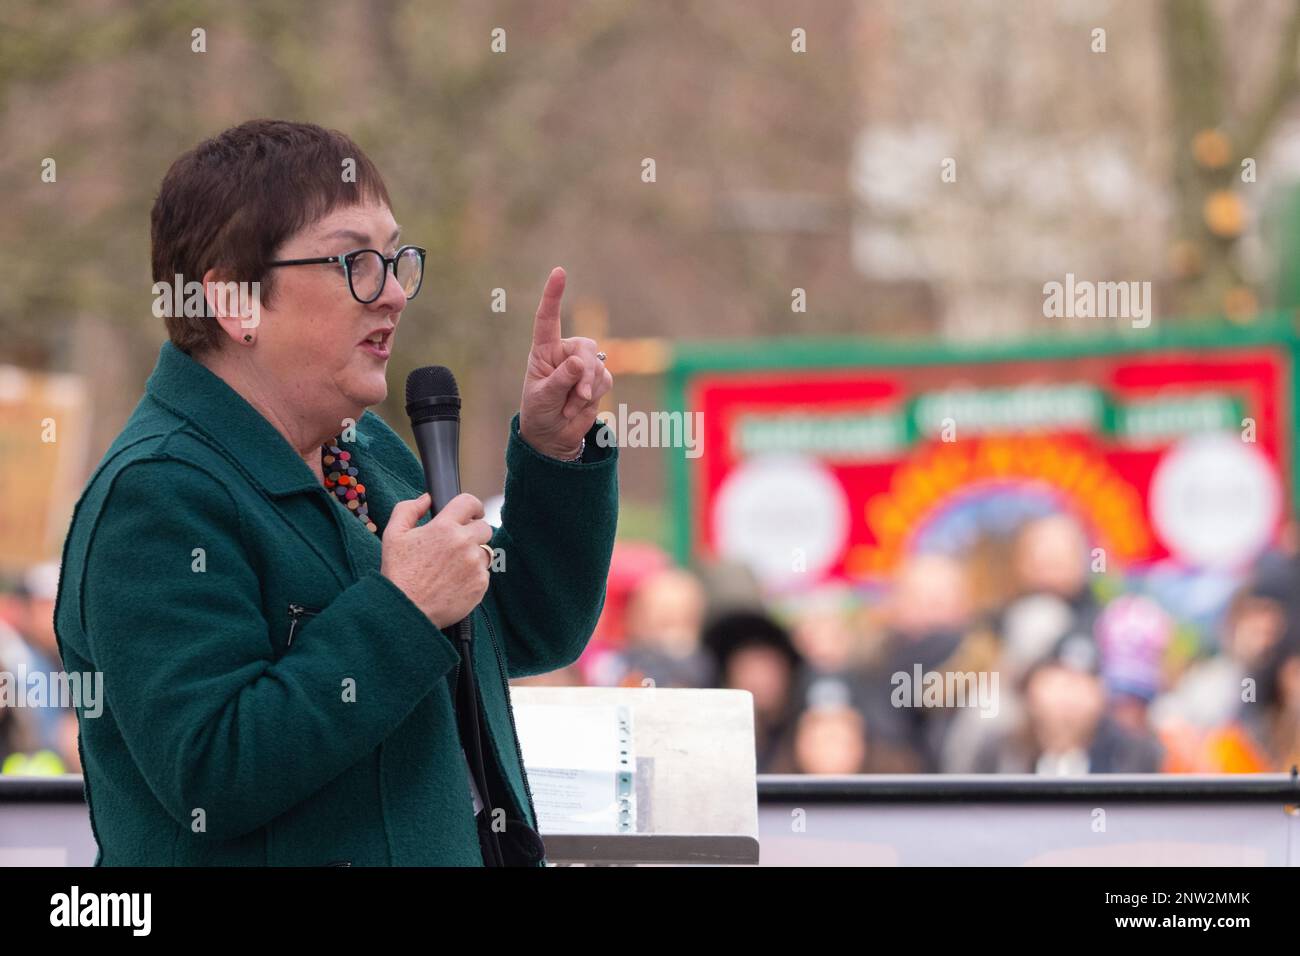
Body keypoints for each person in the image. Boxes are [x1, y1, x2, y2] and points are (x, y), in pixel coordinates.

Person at [54, 120, 619, 866]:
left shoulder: (366, 450)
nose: (392, 294)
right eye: (356, 261)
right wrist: (401, 611)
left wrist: (554, 453)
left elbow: (529, 628)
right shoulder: (158, 495)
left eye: (396, 260)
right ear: (235, 302)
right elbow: (211, 774)